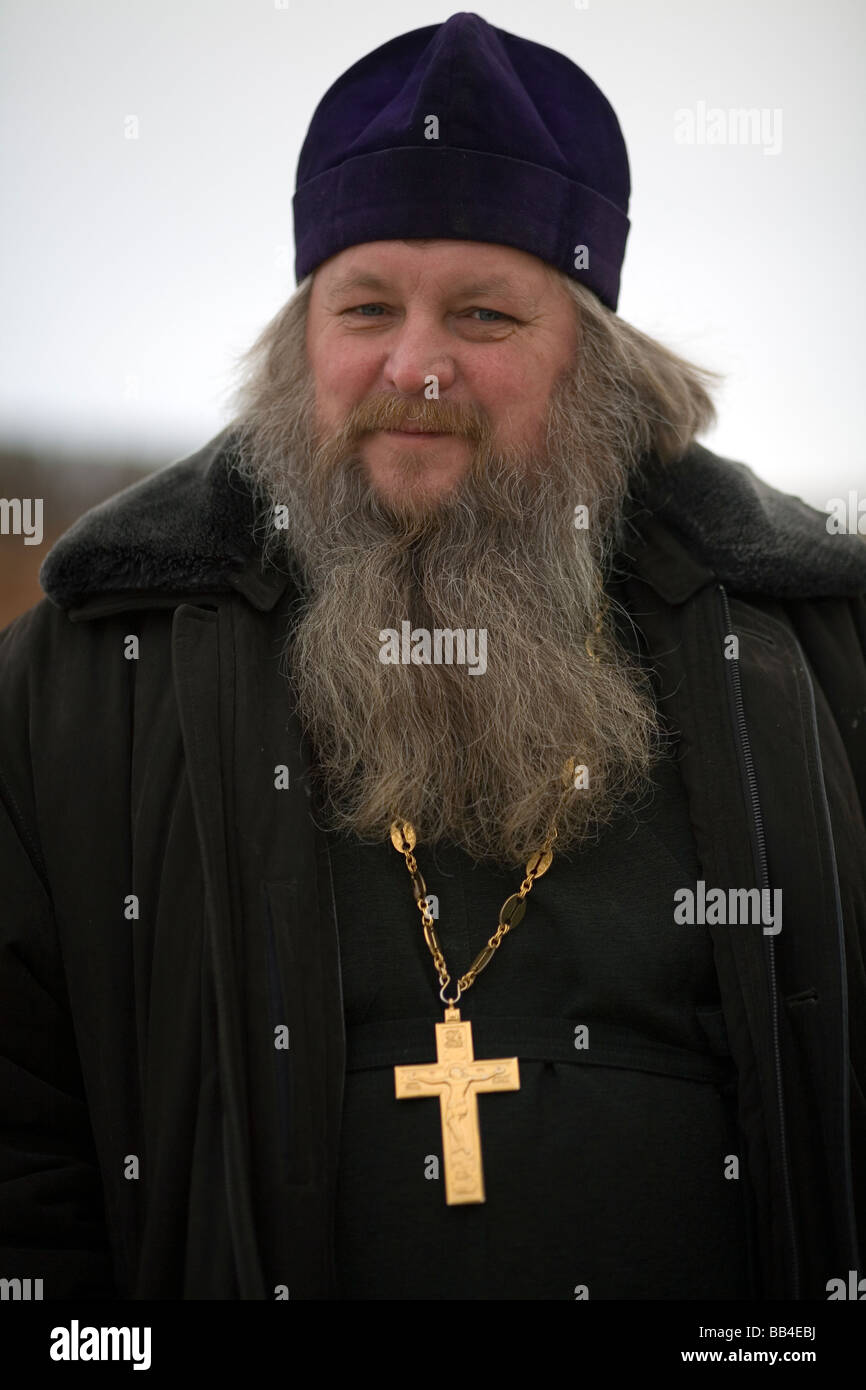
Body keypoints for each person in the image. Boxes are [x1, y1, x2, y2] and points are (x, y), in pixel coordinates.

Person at [1, 12, 864, 1302]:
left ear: (602, 368)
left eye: (484, 314)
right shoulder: (81, 682)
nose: (414, 366)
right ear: (300, 352)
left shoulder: (815, 652)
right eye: (364, 308)